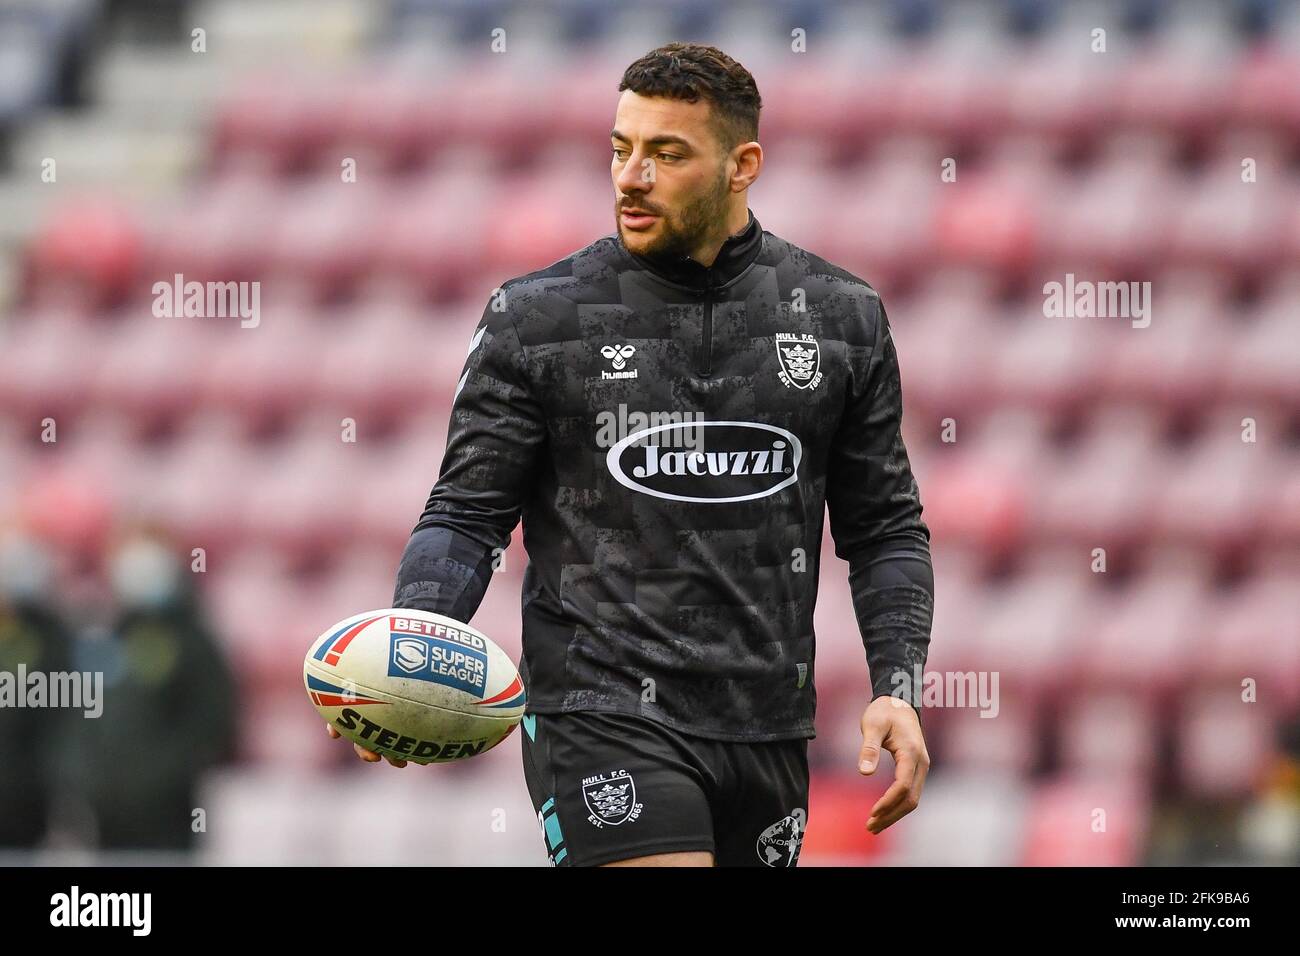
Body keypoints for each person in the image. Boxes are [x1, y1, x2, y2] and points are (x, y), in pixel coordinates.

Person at [329, 41, 934, 867]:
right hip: (600, 708)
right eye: (621, 149)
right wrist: (417, 647)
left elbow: (887, 531)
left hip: (767, 724)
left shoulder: (842, 318)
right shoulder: (539, 319)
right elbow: (466, 516)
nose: (630, 175)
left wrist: (897, 687)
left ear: (742, 164)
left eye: (665, 153)